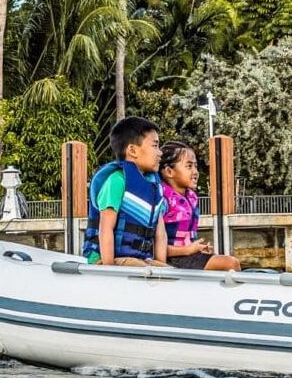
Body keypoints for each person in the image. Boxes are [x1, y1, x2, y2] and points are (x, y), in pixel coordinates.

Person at [82, 116, 169, 266]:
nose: (160, 153)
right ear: (132, 150)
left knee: (168, 271)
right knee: (140, 267)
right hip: (106, 259)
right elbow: (106, 228)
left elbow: (160, 233)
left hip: (140, 259)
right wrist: (109, 270)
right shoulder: (117, 180)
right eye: (155, 146)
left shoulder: (154, 186)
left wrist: (161, 266)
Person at [159, 141, 241, 272]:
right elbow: (153, 246)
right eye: (189, 166)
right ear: (169, 171)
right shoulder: (162, 199)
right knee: (230, 264)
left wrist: (198, 248)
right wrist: (187, 250)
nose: (195, 172)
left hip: (188, 255)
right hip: (174, 258)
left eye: (196, 166)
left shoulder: (191, 197)